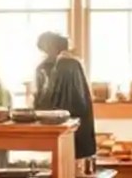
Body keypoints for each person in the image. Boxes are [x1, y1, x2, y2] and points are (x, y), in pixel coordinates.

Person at [34, 32, 96, 163]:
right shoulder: (65, 64)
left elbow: (50, 98)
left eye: (45, 50)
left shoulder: (67, 64)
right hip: (73, 118)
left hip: (67, 120)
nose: (45, 54)